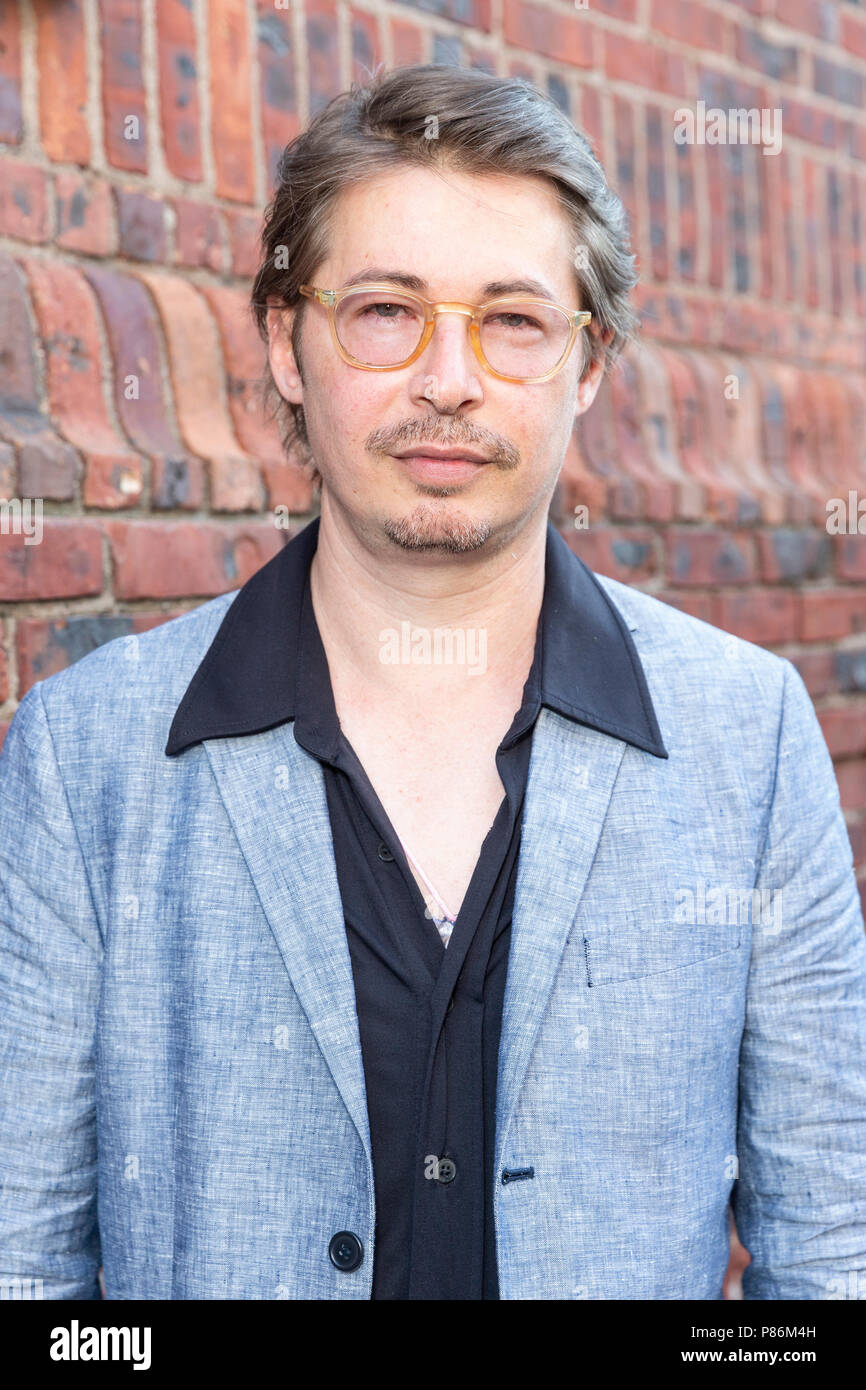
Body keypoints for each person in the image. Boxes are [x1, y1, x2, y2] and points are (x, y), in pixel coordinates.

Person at [1, 64, 865, 1301]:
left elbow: (828, 1257)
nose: (446, 379)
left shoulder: (748, 734)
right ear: (286, 346)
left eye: (511, 320)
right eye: (384, 310)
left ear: (589, 365)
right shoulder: (88, 756)